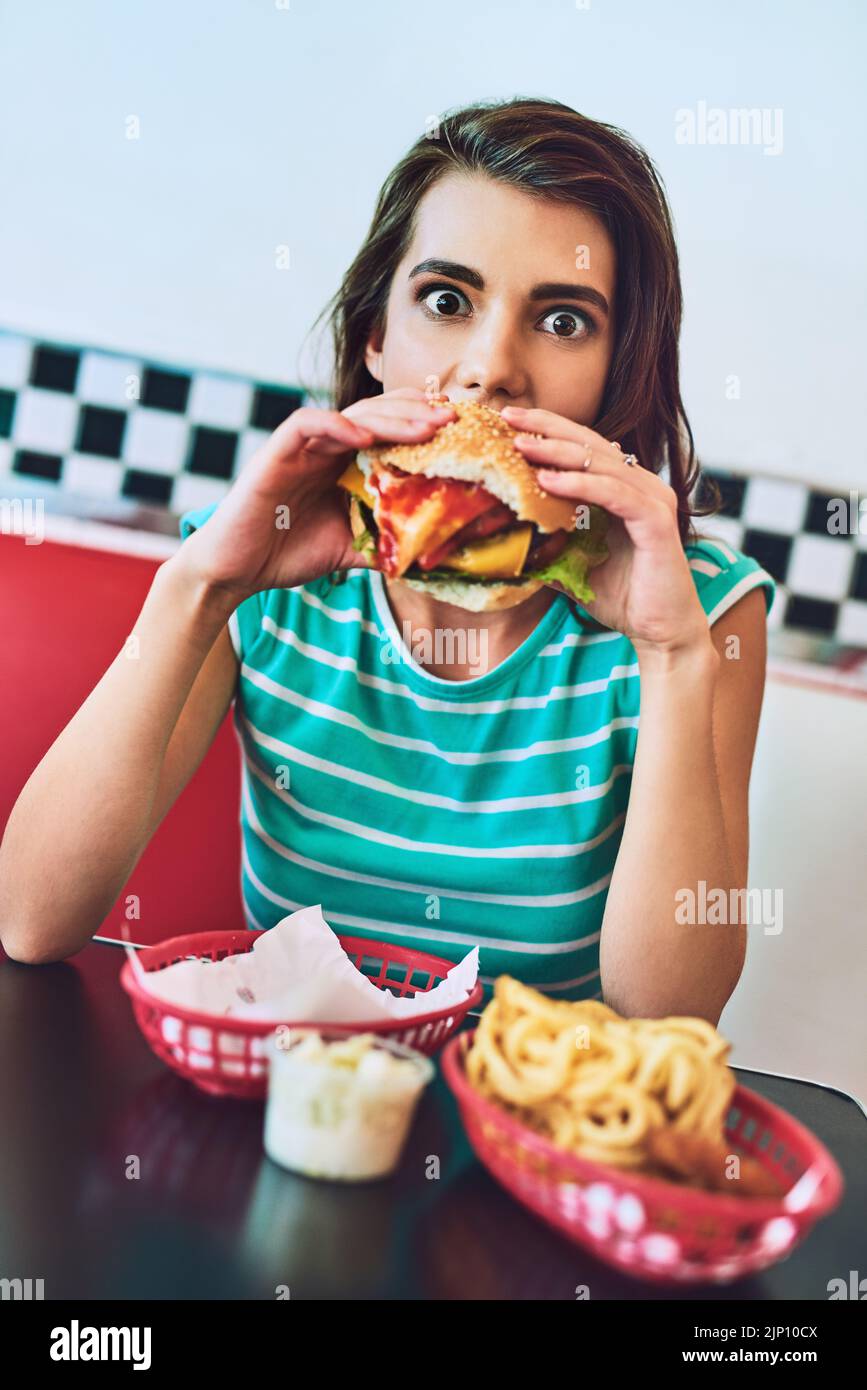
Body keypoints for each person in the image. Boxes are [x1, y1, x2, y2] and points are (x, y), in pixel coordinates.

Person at [0, 99, 774, 1025]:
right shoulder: (259, 572)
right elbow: (31, 922)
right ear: (374, 338)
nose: (489, 368)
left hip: (522, 1131)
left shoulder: (704, 613)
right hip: (294, 1093)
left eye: (563, 320)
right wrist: (203, 589)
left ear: (622, 371)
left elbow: (667, 1018)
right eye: (447, 302)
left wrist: (675, 658)